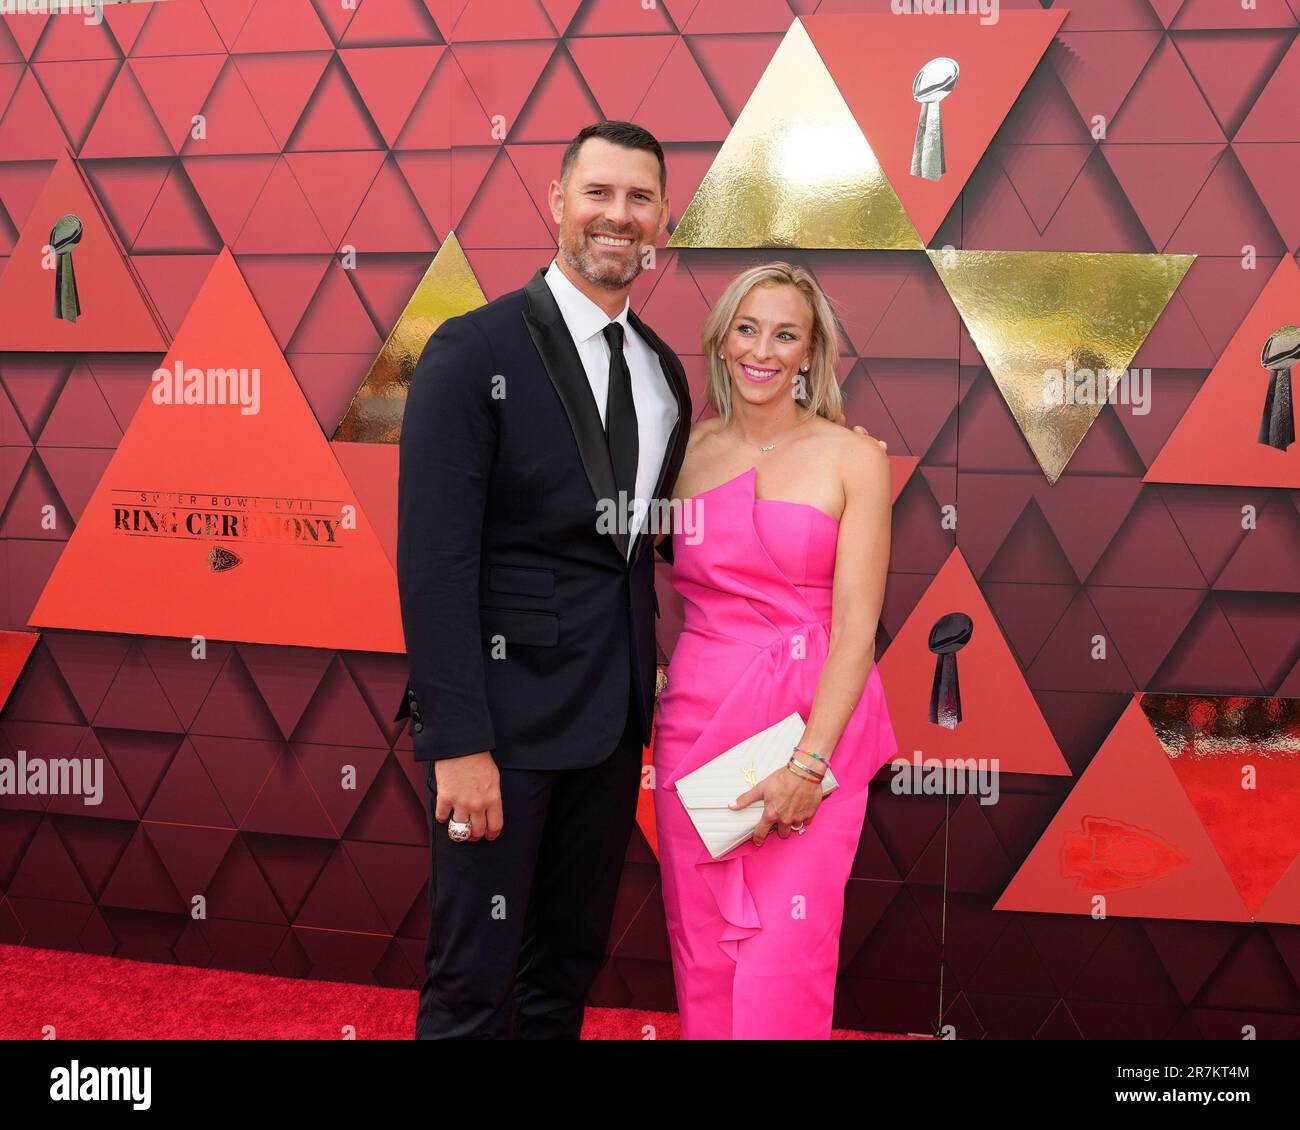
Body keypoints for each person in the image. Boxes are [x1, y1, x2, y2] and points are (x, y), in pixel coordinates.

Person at [394, 120, 691, 1039]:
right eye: (599, 193)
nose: (618, 215)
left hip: (610, 730)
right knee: (473, 981)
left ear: (662, 222)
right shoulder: (470, 350)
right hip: (503, 730)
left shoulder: (664, 373)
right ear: (557, 203)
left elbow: (637, 551)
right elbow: (434, 563)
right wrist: (458, 743)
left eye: (639, 198)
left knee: (563, 969)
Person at [652, 262, 899, 1039]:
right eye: (748, 328)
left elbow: (858, 627)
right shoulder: (679, 455)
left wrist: (809, 763)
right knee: (702, 948)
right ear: (723, 341)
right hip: (697, 721)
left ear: (810, 351)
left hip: (810, 730)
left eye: (785, 333)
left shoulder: (854, 458)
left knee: (786, 950)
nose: (763, 349)